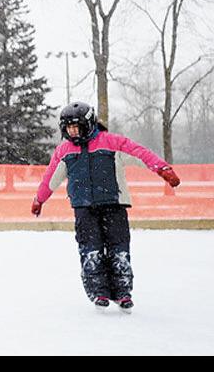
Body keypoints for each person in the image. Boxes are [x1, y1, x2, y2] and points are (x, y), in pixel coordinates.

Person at [32, 102, 181, 313]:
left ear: (89, 123)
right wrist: (39, 199)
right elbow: (50, 178)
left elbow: (140, 153)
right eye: (68, 128)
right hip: (84, 208)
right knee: (91, 250)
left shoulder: (111, 142)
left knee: (118, 250)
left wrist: (162, 168)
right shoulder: (64, 151)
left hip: (114, 205)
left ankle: (122, 293)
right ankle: (99, 292)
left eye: (77, 127)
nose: (72, 132)